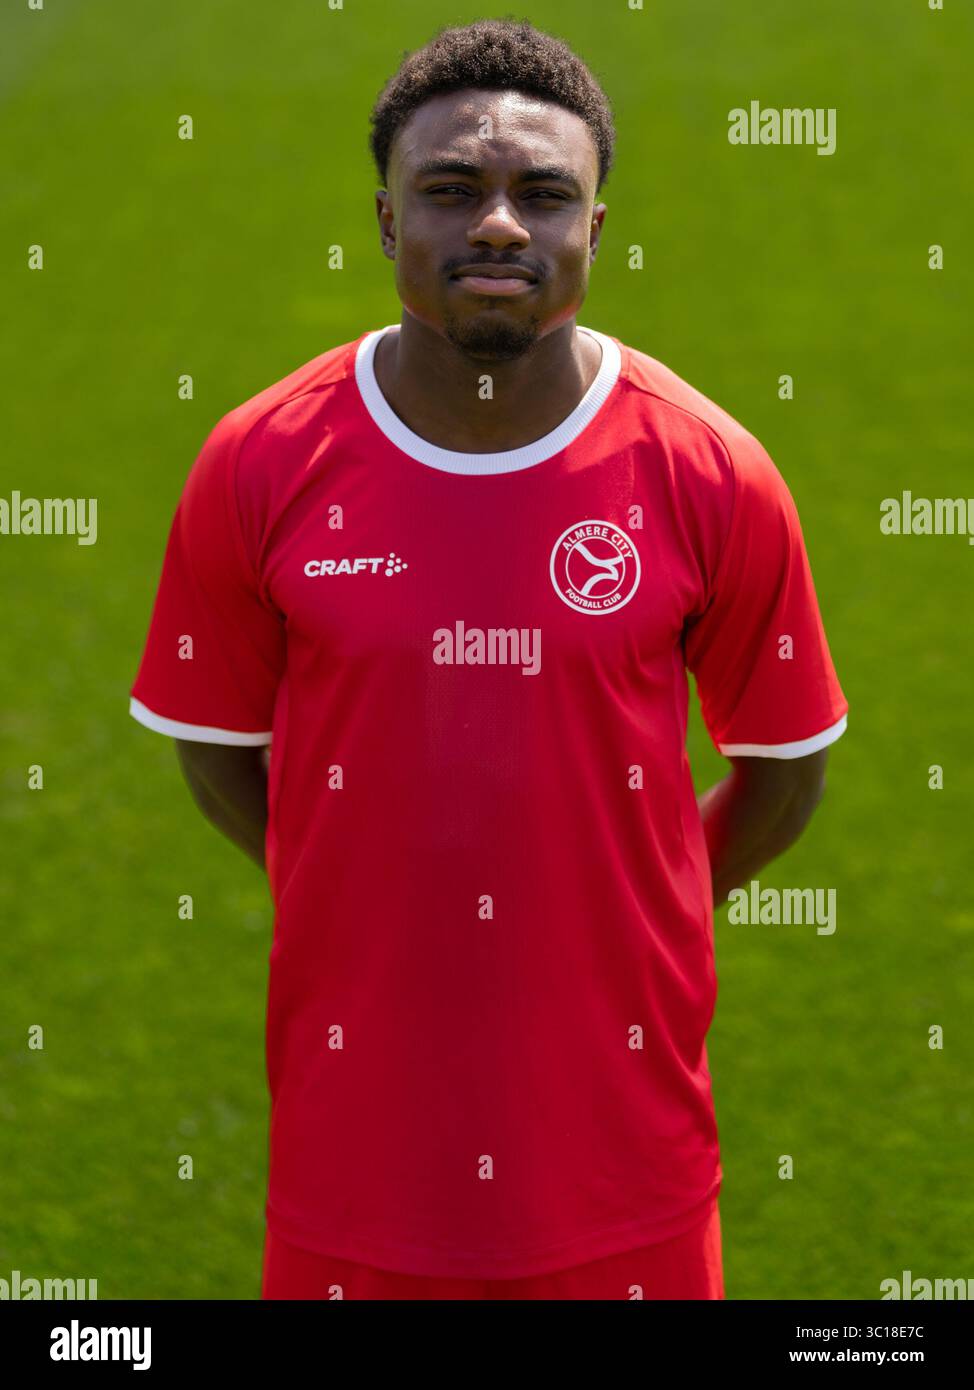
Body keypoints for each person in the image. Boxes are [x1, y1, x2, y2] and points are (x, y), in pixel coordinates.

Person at [129, 18, 848, 1300]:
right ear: (385, 218)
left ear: (594, 230)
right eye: (452, 191)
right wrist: (350, 876)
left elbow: (783, 773)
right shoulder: (259, 460)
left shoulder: (710, 472)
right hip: (352, 1174)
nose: (500, 225)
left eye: (543, 194)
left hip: (626, 1174)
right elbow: (214, 741)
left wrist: (635, 898)